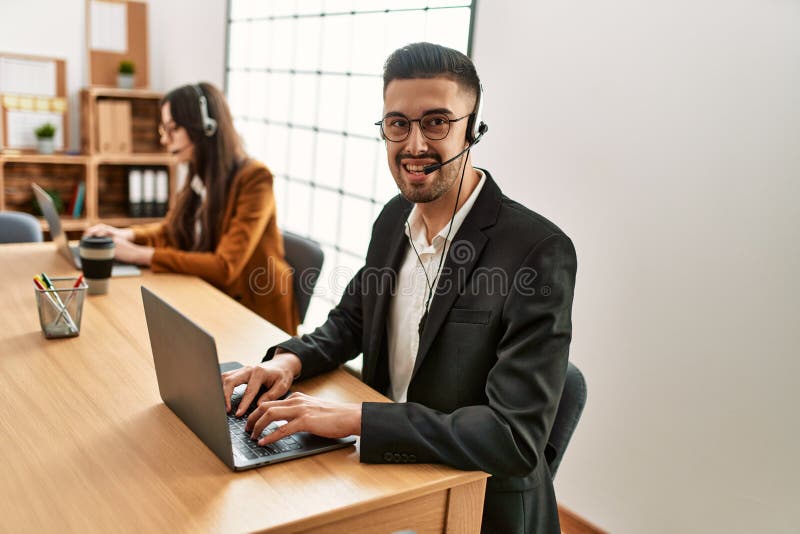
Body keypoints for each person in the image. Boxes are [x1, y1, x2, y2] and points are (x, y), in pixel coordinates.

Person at [222, 43, 577, 533]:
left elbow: (513, 437)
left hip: (472, 506)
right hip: (382, 476)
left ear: (472, 129)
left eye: (436, 122)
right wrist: (287, 362)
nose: (414, 144)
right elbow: (352, 319)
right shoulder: (394, 218)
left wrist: (356, 419)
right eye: (398, 123)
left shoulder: (536, 251)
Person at [85, 82, 299, 335]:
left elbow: (224, 267)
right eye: (164, 129)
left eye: (173, 129)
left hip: (254, 318)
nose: (165, 139)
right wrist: (127, 235)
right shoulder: (200, 173)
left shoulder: (254, 179)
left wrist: (139, 254)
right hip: (211, 298)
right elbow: (173, 229)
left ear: (205, 128)